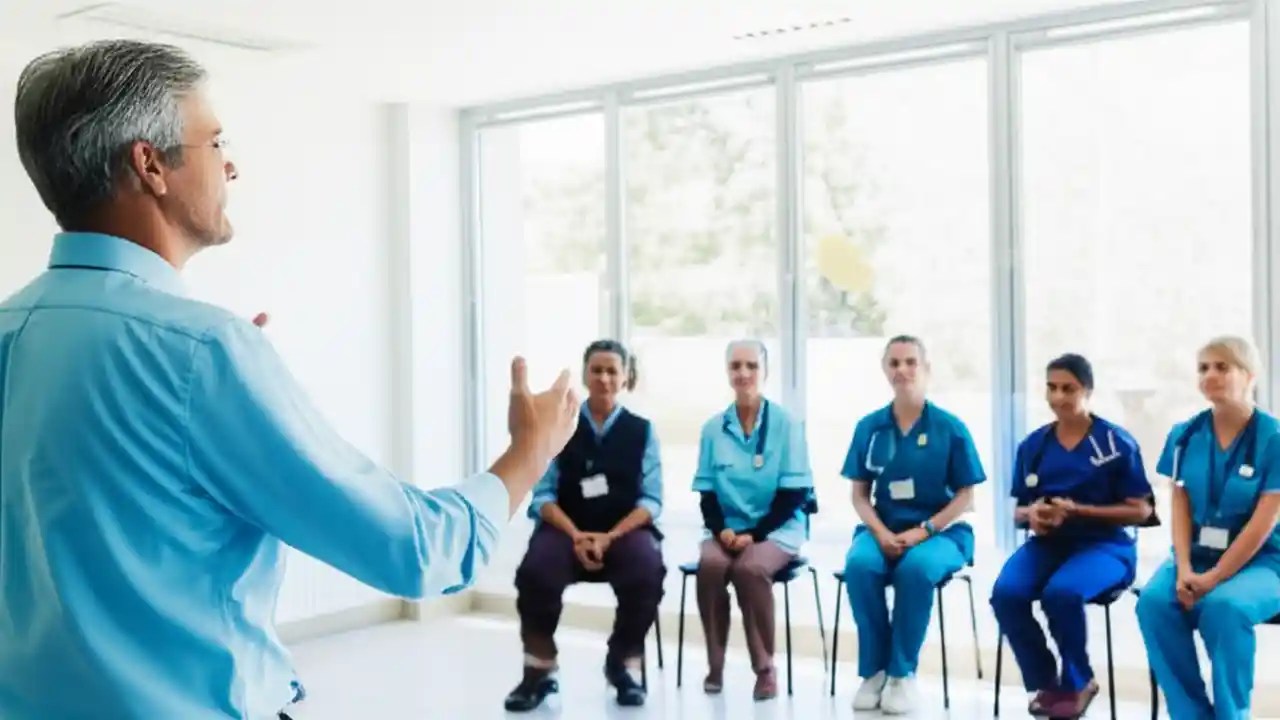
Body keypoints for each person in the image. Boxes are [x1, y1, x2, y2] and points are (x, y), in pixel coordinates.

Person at [0, 40, 580, 720]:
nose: (232, 164)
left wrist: (200, 387)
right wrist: (530, 451)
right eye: (215, 142)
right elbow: (416, 553)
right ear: (149, 163)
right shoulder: (202, 352)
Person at [989, 354, 1155, 719]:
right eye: (1052, 387)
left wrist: (1079, 510)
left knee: (1061, 592)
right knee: (1006, 594)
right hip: (1050, 544)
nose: (1059, 397)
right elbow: (1018, 508)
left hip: (1106, 547)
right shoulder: (1034, 446)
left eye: (1069, 388)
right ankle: (1048, 681)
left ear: (1088, 391)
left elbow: (1141, 510)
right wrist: (1032, 515)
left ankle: (1079, 681)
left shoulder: (1114, 443)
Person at [503, 340, 665, 712]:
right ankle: (540, 669)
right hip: (566, 530)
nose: (604, 378)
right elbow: (542, 495)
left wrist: (610, 536)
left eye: (613, 370)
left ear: (626, 377)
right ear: (585, 374)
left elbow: (651, 501)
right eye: (597, 370)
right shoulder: (563, 426)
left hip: (623, 532)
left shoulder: (643, 431)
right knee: (535, 571)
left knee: (647, 570)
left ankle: (621, 663)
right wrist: (576, 535)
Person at [1136, 336, 1280, 720]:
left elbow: (1264, 522)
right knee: (1153, 603)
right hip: (1195, 554)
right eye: (1203, 368)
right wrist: (1183, 567)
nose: (1209, 375)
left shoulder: (1274, 438)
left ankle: (1232, 715)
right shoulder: (1185, 434)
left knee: (1225, 607)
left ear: (1249, 375)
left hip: (1265, 561)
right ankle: (1189, 714)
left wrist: (1214, 577)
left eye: (1222, 366)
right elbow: (1179, 502)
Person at [841, 335, 986, 715]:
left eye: (910, 362)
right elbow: (859, 495)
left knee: (916, 570)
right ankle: (874, 671)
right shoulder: (870, 427)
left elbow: (966, 497)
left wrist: (924, 530)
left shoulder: (950, 428)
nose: (902, 370)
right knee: (860, 566)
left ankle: (901, 673)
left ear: (925, 369)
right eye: (894, 363)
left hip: (942, 532)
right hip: (883, 527)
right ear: (885, 369)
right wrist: (881, 533)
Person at [693, 339, 813, 702]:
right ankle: (715, 663)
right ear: (727, 371)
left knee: (749, 570)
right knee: (711, 565)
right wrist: (722, 530)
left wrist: (755, 533)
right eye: (735, 366)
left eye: (751, 366)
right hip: (725, 528)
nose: (743, 373)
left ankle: (764, 668)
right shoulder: (714, 428)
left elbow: (795, 494)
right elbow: (707, 493)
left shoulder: (787, 425)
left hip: (777, 528)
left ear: (764, 371)